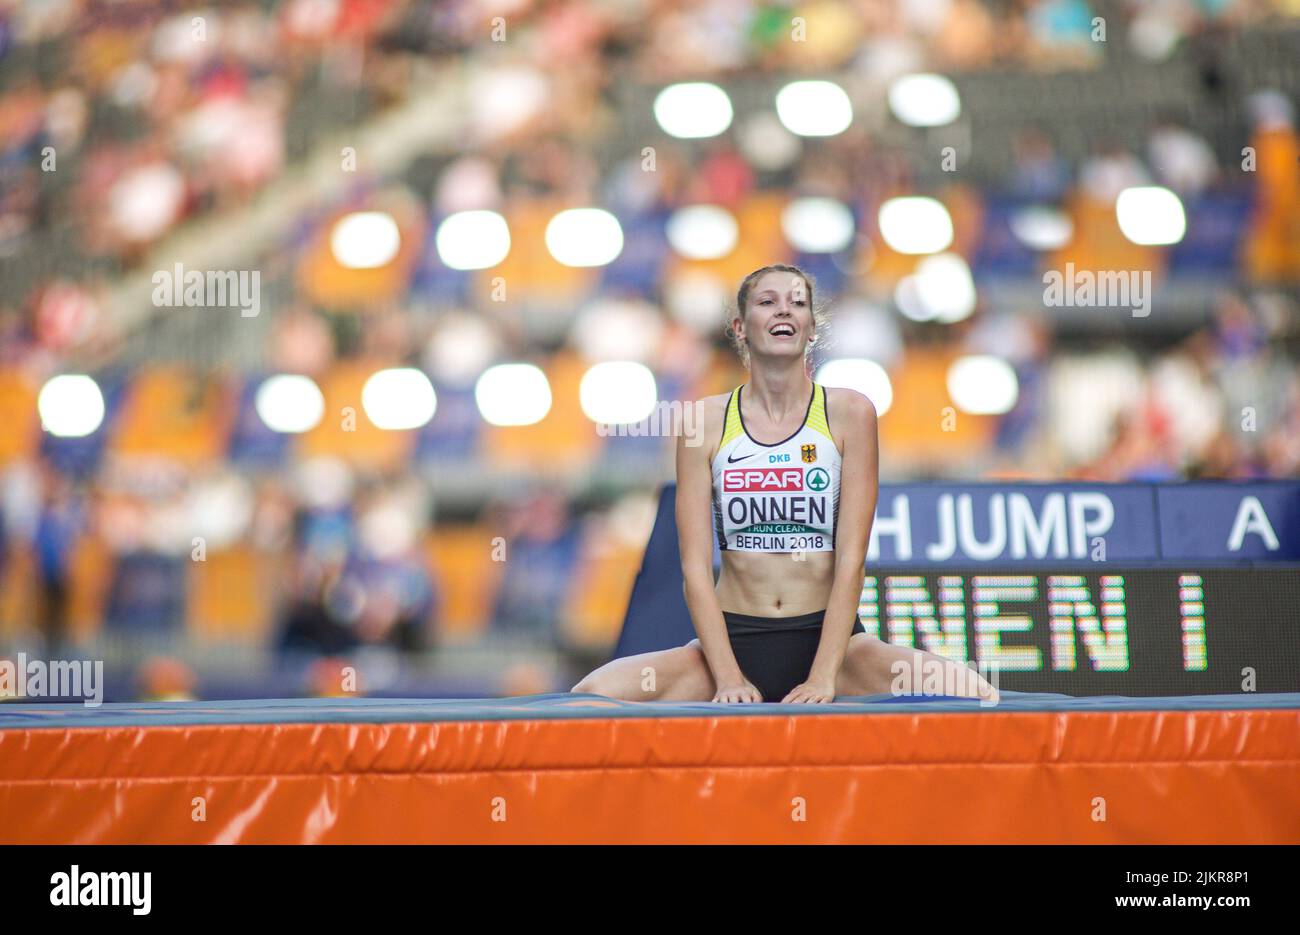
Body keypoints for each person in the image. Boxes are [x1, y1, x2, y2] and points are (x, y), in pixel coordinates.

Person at [574, 264, 998, 703]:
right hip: (733, 642)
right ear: (740, 326)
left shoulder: (851, 413)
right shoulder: (701, 421)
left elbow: (852, 562)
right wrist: (728, 678)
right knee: (593, 692)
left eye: (798, 303)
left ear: (812, 327)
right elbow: (695, 569)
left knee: (975, 694)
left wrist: (822, 678)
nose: (784, 312)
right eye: (767, 302)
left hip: (834, 646)